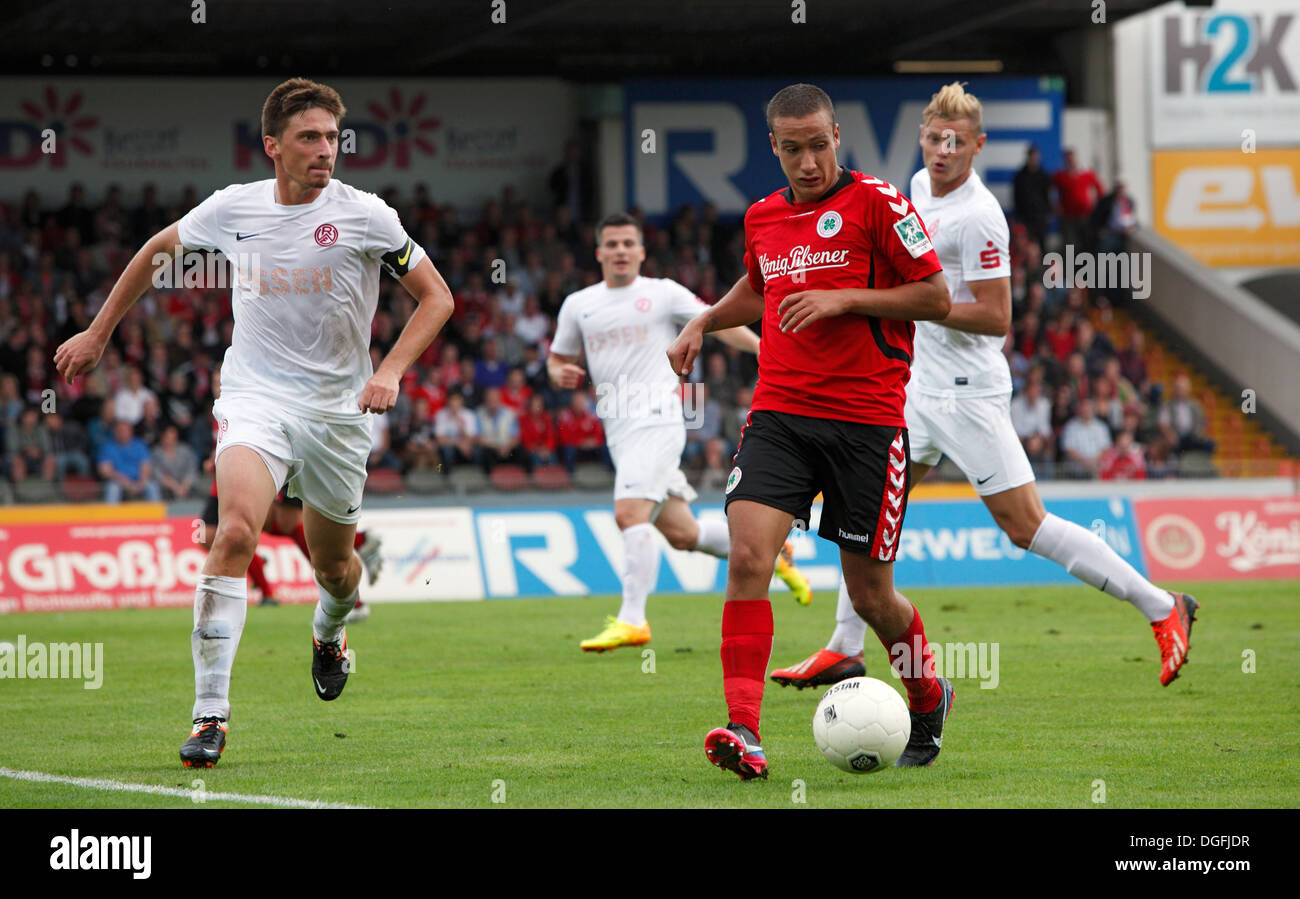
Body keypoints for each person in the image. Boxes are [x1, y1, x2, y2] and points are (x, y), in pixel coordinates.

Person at [54, 78, 454, 768]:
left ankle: (329, 632)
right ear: (273, 145)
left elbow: (437, 297)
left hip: (338, 412)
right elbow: (157, 253)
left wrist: (388, 370)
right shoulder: (233, 208)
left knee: (333, 567)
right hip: (256, 396)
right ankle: (211, 714)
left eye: (331, 136)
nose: (325, 149)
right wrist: (97, 332)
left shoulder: (368, 216)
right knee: (234, 530)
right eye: (309, 136)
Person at [768, 83, 1197, 704]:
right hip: (914, 388)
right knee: (862, 511)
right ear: (922, 137)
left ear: (978, 146)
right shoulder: (913, 188)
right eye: (934, 138)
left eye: (956, 142)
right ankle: (844, 646)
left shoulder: (980, 216)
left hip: (968, 394)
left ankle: (1164, 606)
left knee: (1025, 526)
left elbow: (997, 317)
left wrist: (915, 301)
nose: (942, 151)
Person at [666, 83, 952, 780]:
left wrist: (845, 296)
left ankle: (927, 691)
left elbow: (938, 297)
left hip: (868, 425)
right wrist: (705, 318)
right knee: (747, 558)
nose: (808, 162)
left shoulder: (878, 204)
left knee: (871, 596)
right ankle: (745, 728)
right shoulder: (763, 217)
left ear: (837, 137)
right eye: (792, 149)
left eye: (819, 145)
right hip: (781, 416)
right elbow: (760, 286)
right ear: (775, 147)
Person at [550, 212, 812, 655]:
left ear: (641, 251)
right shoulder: (579, 304)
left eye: (627, 243)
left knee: (629, 514)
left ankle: (634, 620)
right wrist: (559, 373)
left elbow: (718, 321)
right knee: (683, 534)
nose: (619, 251)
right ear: (598, 252)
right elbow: (557, 358)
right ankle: (778, 555)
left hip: (658, 417)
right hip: (618, 428)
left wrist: (765, 349)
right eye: (611, 244)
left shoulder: (662, 293)